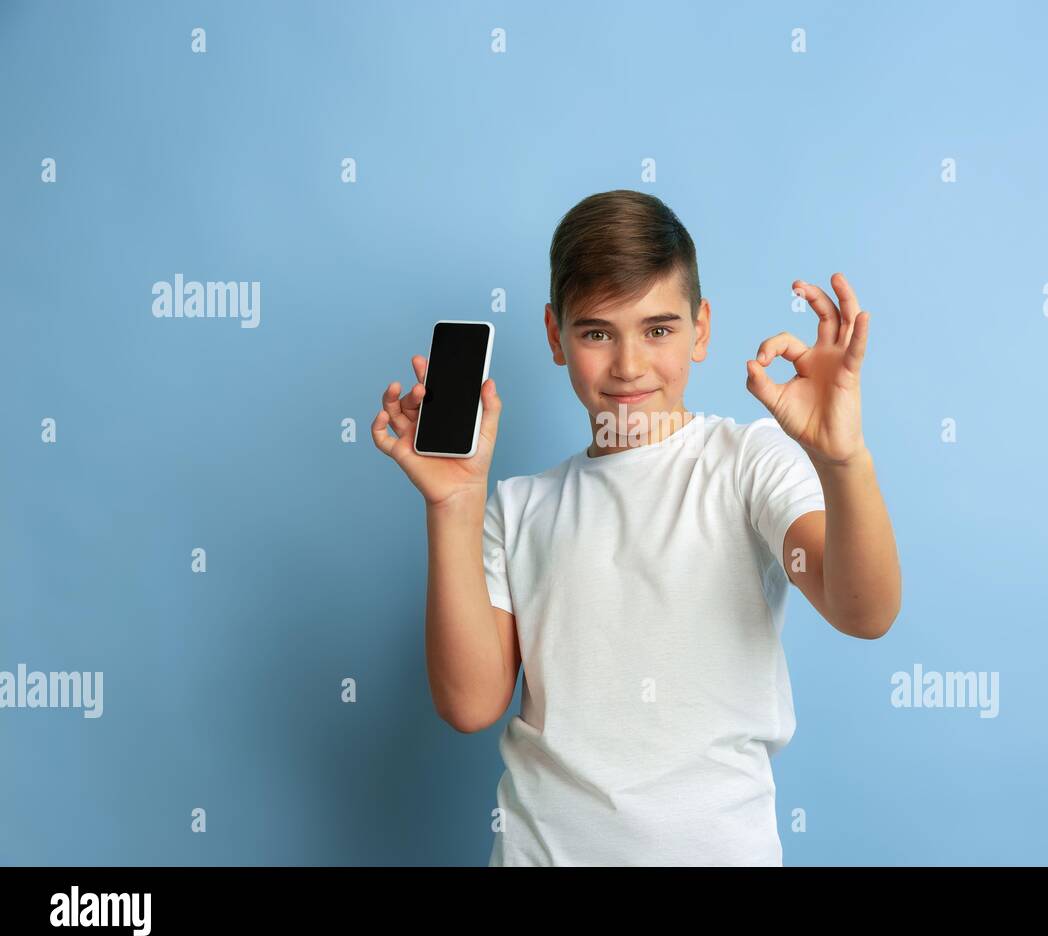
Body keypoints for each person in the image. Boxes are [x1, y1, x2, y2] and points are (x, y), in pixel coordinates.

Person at [371, 189, 902, 865]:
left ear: (701, 329)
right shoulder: (519, 506)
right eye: (597, 332)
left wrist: (842, 459)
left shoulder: (747, 462)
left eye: (658, 329)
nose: (628, 365)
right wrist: (452, 507)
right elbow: (470, 704)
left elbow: (866, 610)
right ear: (554, 336)